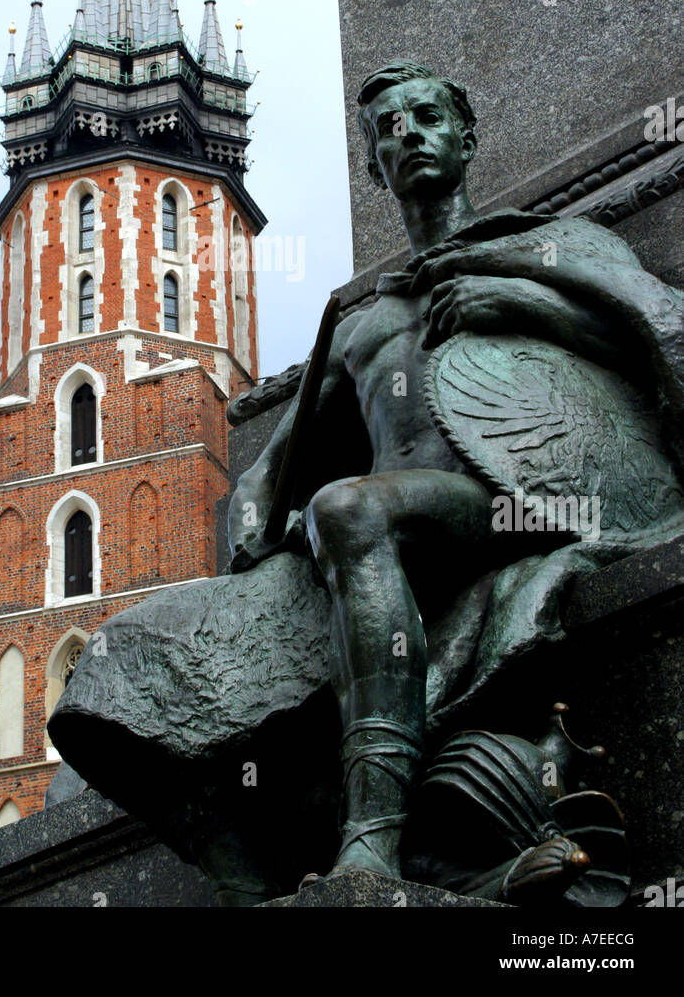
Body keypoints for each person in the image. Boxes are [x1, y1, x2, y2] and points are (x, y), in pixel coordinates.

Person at [227, 59, 658, 882]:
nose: (408, 135)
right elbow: (267, 475)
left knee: (352, 509)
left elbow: (655, 343)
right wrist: (250, 527)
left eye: (425, 117)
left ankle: (372, 835)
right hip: (397, 519)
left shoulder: (547, 248)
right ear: (376, 166)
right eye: (387, 129)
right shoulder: (361, 325)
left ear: (467, 136)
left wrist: (522, 303)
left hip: (516, 501)